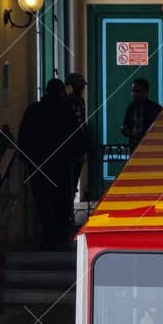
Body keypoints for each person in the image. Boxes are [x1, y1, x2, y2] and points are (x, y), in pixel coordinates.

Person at [17, 78, 80, 249]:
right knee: (62, 199)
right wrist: (76, 155)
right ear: (61, 92)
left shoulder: (34, 110)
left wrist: (26, 157)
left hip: (39, 163)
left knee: (43, 200)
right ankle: (61, 236)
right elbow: (77, 136)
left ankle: (49, 236)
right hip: (62, 163)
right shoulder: (66, 111)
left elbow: (23, 136)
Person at [65, 72, 89, 221]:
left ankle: (69, 213)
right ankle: (67, 213)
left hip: (78, 146)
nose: (81, 89)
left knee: (72, 182)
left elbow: (82, 124)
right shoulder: (68, 102)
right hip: (72, 148)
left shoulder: (79, 101)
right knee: (69, 183)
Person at [122, 77, 162, 155]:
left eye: (137, 91)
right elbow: (126, 126)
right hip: (134, 149)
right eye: (133, 91)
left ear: (146, 92)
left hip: (151, 149)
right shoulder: (130, 108)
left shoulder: (155, 108)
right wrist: (126, 131)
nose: (134, 94)